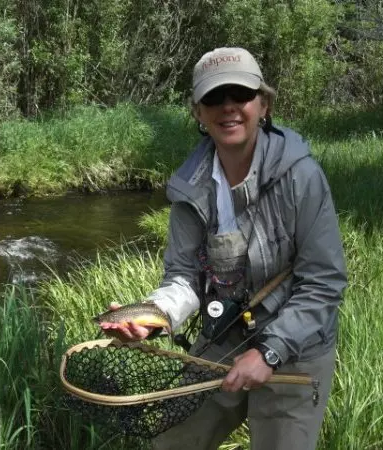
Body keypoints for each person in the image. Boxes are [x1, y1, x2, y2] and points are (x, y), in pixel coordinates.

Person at [100, 47, 347, 450]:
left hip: (298, 349)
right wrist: (152, 316)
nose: (228, 107)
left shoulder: (302, 177)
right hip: (224, 337)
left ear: (263, 104)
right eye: (214, 98)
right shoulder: (188, 189)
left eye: (240, 95)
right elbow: (184, 277)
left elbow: (324, 282)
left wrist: (270, 352)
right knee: (172, 443)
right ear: (198, 112)